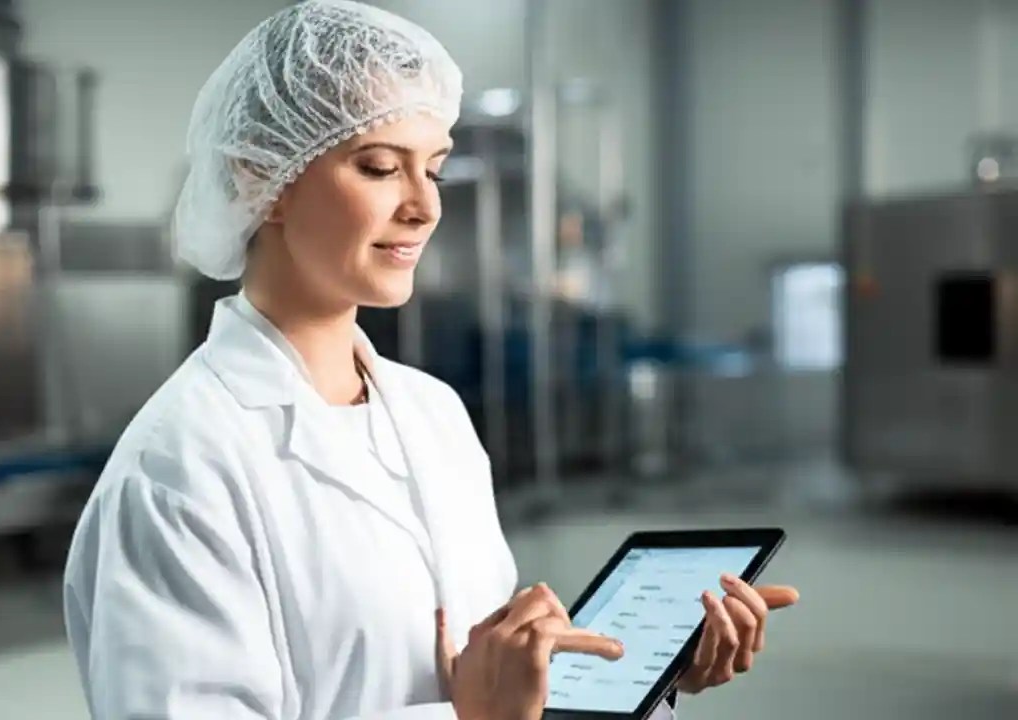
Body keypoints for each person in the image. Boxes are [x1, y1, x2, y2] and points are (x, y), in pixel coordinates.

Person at [61, 2, 800, 718]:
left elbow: (475, 677)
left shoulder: (430, 412)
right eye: (381, 167)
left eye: (435, 169)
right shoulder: (180, 468)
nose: (424, 206)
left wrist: (634, 673)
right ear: (261, 177)